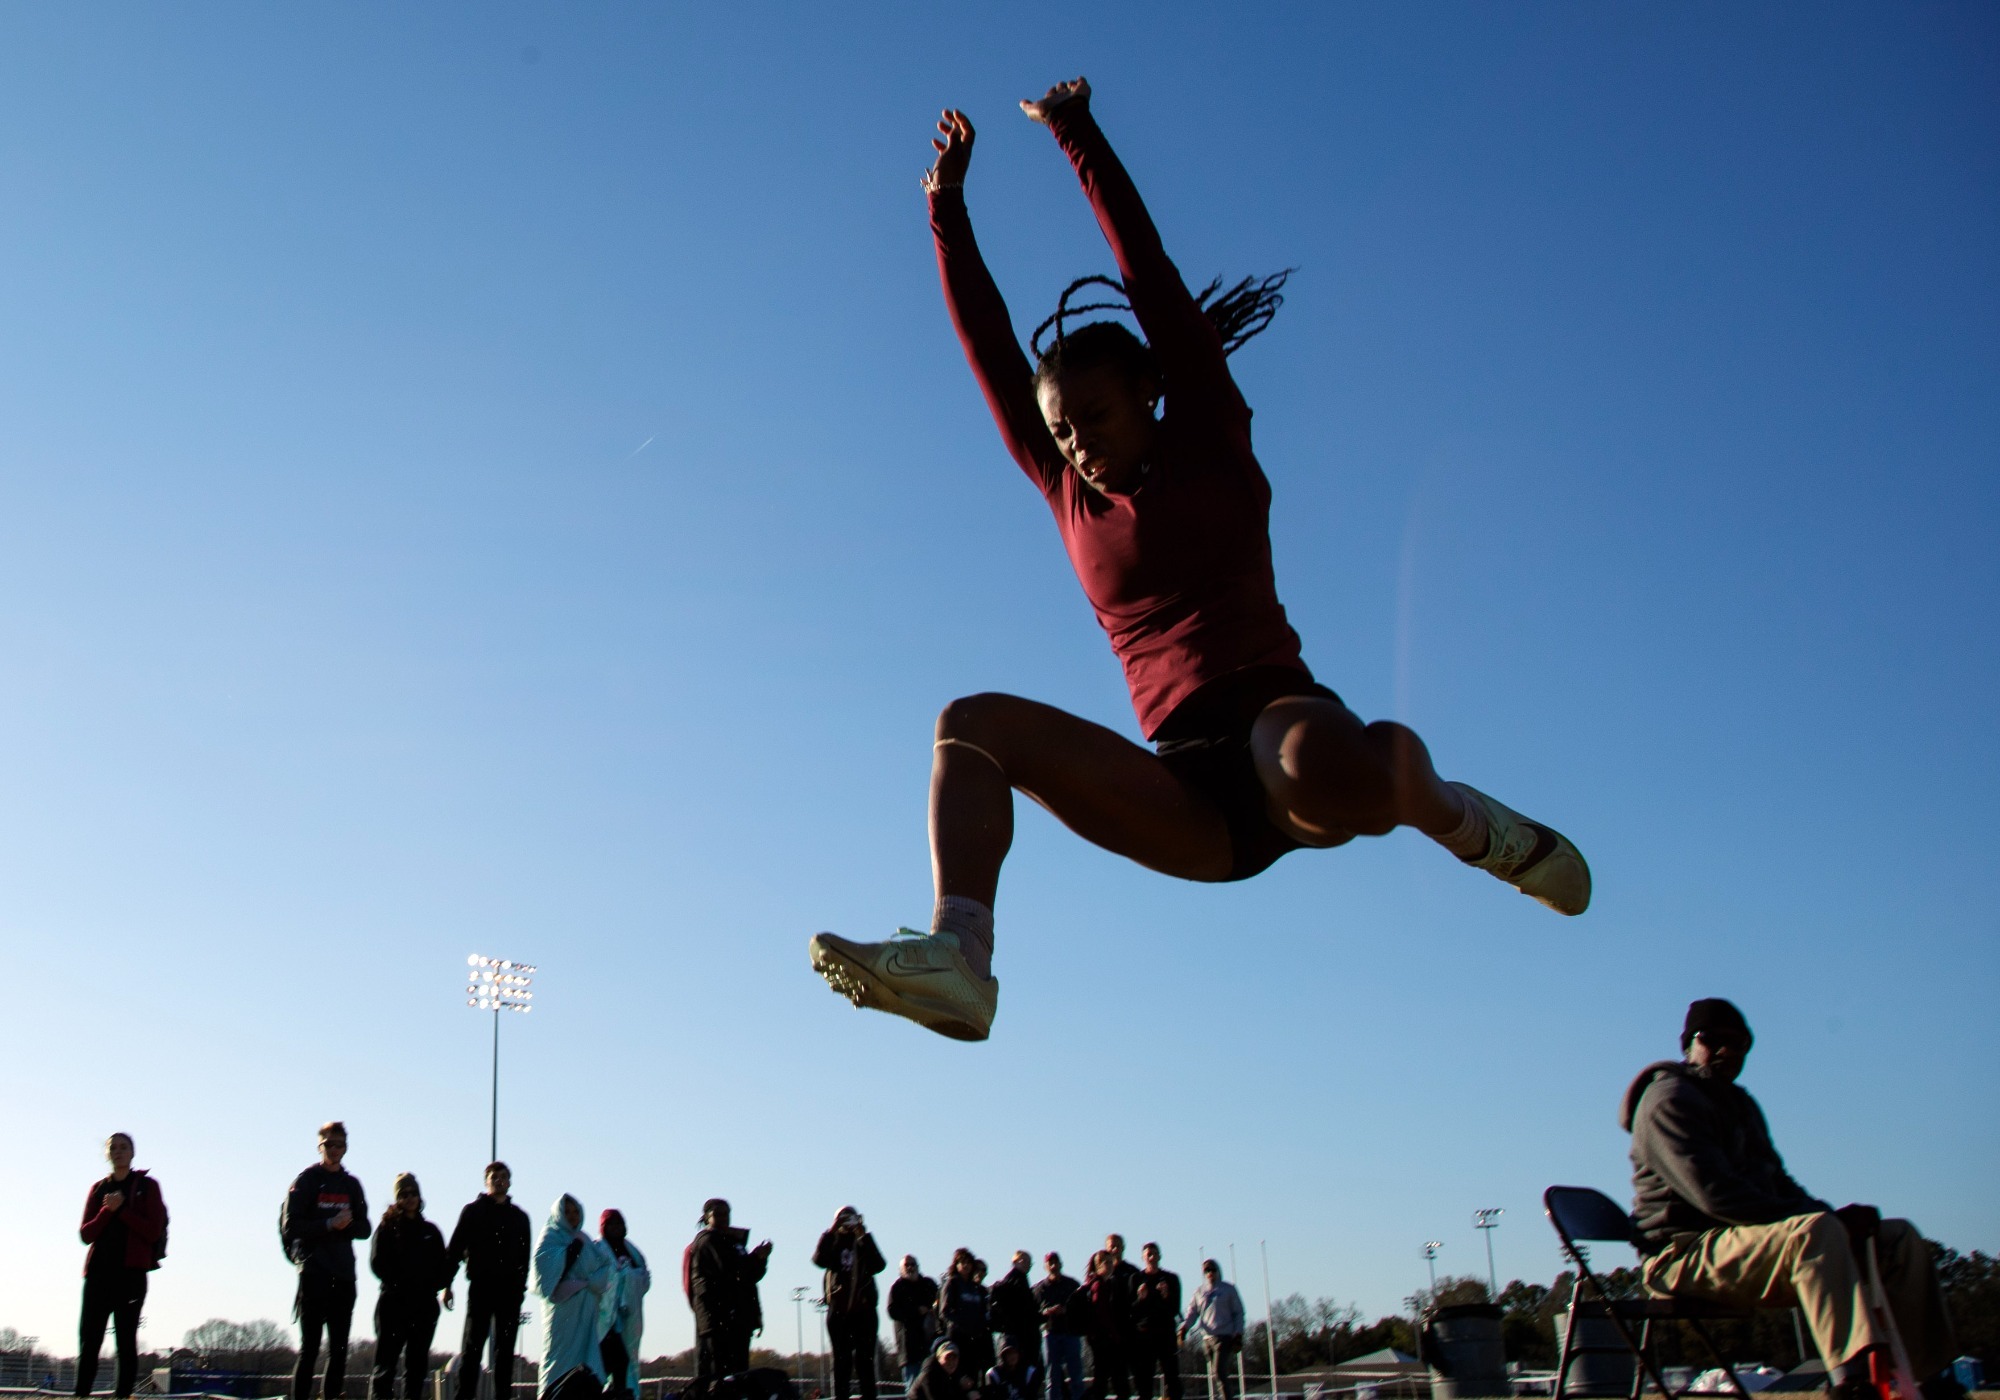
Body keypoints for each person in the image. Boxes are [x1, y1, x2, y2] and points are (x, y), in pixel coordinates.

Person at [808, 75, 1589, 1042]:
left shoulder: (1211, 436)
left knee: (1313, 764)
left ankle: (1471, 824)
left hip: (1278, 719)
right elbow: (989, 349)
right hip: (1185, 790)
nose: (1077, 443)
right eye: (1060, 430)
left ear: (1149, 392)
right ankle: (961, 959)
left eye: (1094, 416)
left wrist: (1075, 133)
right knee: (970, 725)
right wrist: (946, 208)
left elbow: (1148, 271)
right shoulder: (1067, 491)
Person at [1623, 998, 1959, 1400]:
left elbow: (1779, 1184)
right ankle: (1852, 1384)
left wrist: (1834, 1217)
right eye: (1712, 1040)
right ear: (1687, 1044)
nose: (1727, 1051)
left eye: (1740, 1043)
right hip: (1683, 1254)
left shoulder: (1741, 1105)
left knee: (1897, 1238)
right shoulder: (1668, 1099)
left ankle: (1928, 1381)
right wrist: (1823, 1222)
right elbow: (1717, 1196)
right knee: (1815, 1232)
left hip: (1752, 1245)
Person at [281, 1122, 371, 1400]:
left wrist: (348, 1225)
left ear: (345, 1148)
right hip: (314, 1273)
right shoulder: (306, 1181)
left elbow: (365, 1228)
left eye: (339, 1145)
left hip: (343, 1275)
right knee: (309, 1348)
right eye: (328, 1144)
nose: (334, 1150)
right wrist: (329, 1223)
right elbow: (291, 1225)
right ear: (319, 1147)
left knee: (340, 1349)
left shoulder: (351, 1184)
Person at [76, 1133, 168, 1400]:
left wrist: (122, 1210)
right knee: (89, 1341)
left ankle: (123, 1395)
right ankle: (80, 1394)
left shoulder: (147, 1186)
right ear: (107, 1154)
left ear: (132, 1152)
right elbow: (85, 1234)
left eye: (123, 1147)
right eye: (113, 1148)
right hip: (97, 1275)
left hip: (131, 1275)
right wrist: (107, 1211)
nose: (118, 1152)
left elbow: (152, 1231)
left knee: (126, 1342)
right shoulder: (98, 1189)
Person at [446, 1162, 533, 1400]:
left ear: (510, 1181)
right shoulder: (473, 1211)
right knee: (472, 1349)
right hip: (481, 1288)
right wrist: (447, 1285)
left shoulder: (520, 1218)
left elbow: (525, 1259)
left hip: (510, 1292)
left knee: (504, 1353)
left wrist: (520, 1287)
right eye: (494, 1177)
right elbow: (454, 1250)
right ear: (486, 1181)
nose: (499, 1181)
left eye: (504, 1176)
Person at [370, 1174, 451, 1400]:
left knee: (417, 1366)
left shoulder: (431, 1231)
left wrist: (432, 1285)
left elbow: (443, 1267)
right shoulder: (387, 1228)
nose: (410, 1199)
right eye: (404, 1195)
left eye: (413, 1193)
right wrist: (400, 1283)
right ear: (397, 1199)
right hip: (393, 1304)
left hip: (424, 1305)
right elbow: (377, 1263)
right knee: (386, 1364)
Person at [684, 1198, 773, 1395]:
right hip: (718, 1320)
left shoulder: (732, 1242)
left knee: (738, 1375)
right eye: (718, 1214)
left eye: (726, 1213)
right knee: (719, 1377)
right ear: (707, 1217)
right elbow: (731, 1272)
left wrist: (760, 1259)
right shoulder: (707, 1241)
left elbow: (749, 1278)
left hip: (738, 1318)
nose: (724, 1218)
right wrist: (754, 1258)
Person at [534, 1195, 613, 1397]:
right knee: (558, 1359)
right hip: (562, 1313)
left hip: (585, 1313)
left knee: (585, 1364)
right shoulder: (550, 1237)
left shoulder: (584, 1239)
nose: (572, 1216)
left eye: (575, 1211)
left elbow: (604, 1267)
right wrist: (570, 1255)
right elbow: (545, 1277)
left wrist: (587, 1282)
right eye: (567, 1212)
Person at [814, 1207, 887, 1400]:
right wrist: (832, 1230)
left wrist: (863, 1236)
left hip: (864, 1310)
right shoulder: (834, 1242)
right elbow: (819, 1259)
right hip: (839, 1311)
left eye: (851, 1218)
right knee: (841, 1361)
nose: (847, 1222)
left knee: (865, 1362)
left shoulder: (862, 1242)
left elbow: (879, 1265)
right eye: (843, 1219)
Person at [597, 1210, 651, 1400]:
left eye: (619, 1224)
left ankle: (628, 1393)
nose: (616, 1229)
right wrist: (619, 1276)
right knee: (605, 1362)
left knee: (628, 1361)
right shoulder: (597, 1250)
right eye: (611, 1225)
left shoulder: (634, 1253)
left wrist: (629, 1277)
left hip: (630, 1317)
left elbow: (645, 1278)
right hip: (604, 1321)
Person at [1179, 1262, 1243, 1400]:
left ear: (1218, 1271)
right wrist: (1184, 1328)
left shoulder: (1228, 1289)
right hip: (1207, 1338)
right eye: (1207, 1271)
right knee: (1215, 1374)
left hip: (1224, 1336)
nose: (1210, 1273)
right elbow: (1192, 1313)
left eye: (1213, 1270)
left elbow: (1238, 1312)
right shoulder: (1199, 1292)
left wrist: (1238, 1334)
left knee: (1219, 1371)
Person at [1078, 1252, 1133, 1400]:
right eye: (1106, 1263)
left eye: (1111, 1262)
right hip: (1105, 1340)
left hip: (1101, 1339)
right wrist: (1116, 1336)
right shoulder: (1099, 1285)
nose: (1110, 1266)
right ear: (1098, 1266)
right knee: (1116, 1383)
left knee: (1103, 1381)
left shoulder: (1104, 1283)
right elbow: (1102, 1312)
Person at [939, 1249, 993, 1391]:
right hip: (957, 1338)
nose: (966, 1266)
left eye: (968, 1263)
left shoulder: (975, 1287)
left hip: (974, 1340)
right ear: (956, 1264)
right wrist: (961, 1324)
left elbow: (982, 1312)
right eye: (962, 1262)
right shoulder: (952, 1284)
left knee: (973, 1379)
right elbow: (944, 1311)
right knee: (958, 1378)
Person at [1130, 1246, 1180, 1400]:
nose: (1151, 1258)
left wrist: (1166, 1296)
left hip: (1165, 1333)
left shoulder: (1171, 1279)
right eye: (1148, 1255)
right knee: (1144, 1379)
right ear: (1143, 1258)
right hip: (1144, 1335)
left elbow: (1175, 1309)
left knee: (1172, 1377)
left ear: (1160, 1256)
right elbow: (1131, 1311)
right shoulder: (1136, 1279)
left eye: (1154, 1254)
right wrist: (1140, 1298)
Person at [1035, 1253, 1086, 1400]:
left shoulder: (1072, 1285)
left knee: (1076, 1375)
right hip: (1050, 1334)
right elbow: (1034, 1312)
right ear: (1045, 1266)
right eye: (1050, 1263)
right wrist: (1046, 1312)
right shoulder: (1040, 1288)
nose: (1053, 1266)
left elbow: (1082, 1308)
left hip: (1070, 1333)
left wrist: (1066, 1310)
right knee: (1052, 1377)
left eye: (1055, 1262)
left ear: (1060, 1264)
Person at [988, 1252, 1043, 1387]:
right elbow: (1024, 1311)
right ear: (1015, 1262)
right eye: (1023, 1261)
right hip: (1021, 1336)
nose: (1026, 1264)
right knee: (1024, 1372)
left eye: (1029, 1262)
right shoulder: (1015, 1280)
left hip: (1020, 1334)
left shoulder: (1019, 1279)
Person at [889, 1256, 942, 1387]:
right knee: (914, 1388)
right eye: (906, 1265)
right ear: (900, 1269)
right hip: (910, 1349)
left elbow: (940, 1304)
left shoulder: (929, 1284)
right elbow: (893, 1311)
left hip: (931, 1346)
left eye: (913, 1264)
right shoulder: (897, 1288)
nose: (910, 1267)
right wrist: (916, 1311)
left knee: (934, 1387)